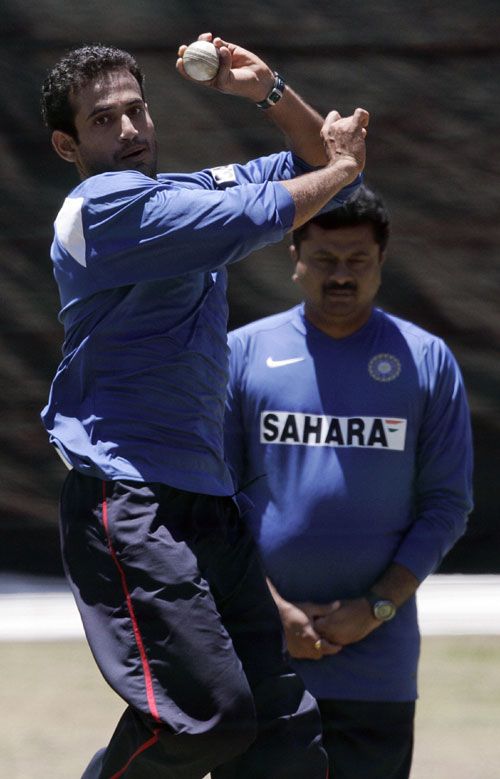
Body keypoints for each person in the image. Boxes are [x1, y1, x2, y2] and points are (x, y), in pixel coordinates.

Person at [40, 31, 369, 779]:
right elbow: (279, 205)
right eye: (101, 120)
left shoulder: (177, 192)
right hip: (127, 503)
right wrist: (345, 166)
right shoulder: (99, 211)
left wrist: (269, 91)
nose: (128, 129)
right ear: (67, 145)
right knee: (205, 720)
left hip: (205, 499)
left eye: (135, 110)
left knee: (284, 734)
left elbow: (317, 165)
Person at [224, 184, 474, 779]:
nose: (341, 276)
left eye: (357, 261)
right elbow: (213, 503)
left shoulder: (426, 360)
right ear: (295, 258)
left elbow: (448, 504)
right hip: (264, 656)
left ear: (382, 263)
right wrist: (272, 610)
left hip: (376, 669)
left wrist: (377, 606)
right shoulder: (242, 355)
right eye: (325, 259)